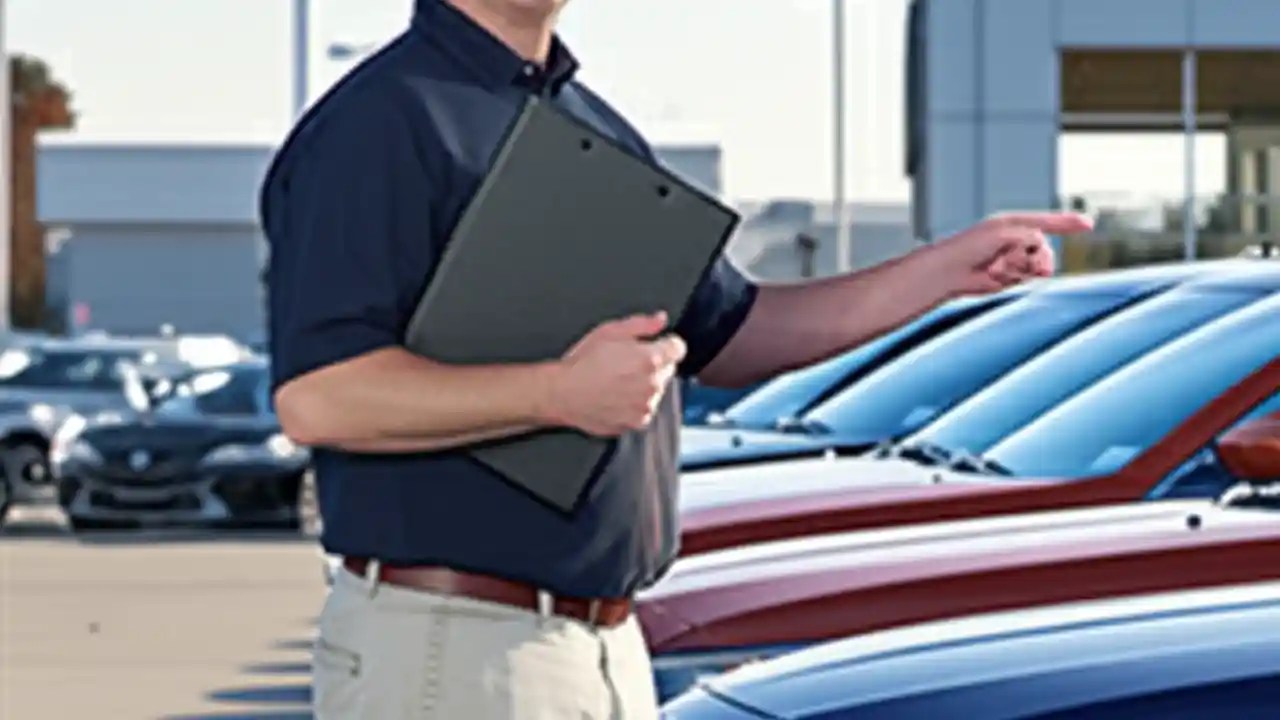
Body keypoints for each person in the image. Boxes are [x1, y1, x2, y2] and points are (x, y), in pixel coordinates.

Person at [259, 1, 1092, 717]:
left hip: (605, 645)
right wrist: (557, 394)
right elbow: (321, 398)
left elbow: (737, 332)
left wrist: (944, 270)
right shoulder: (380, 122)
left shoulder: (592, 128)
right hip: (451, 649)